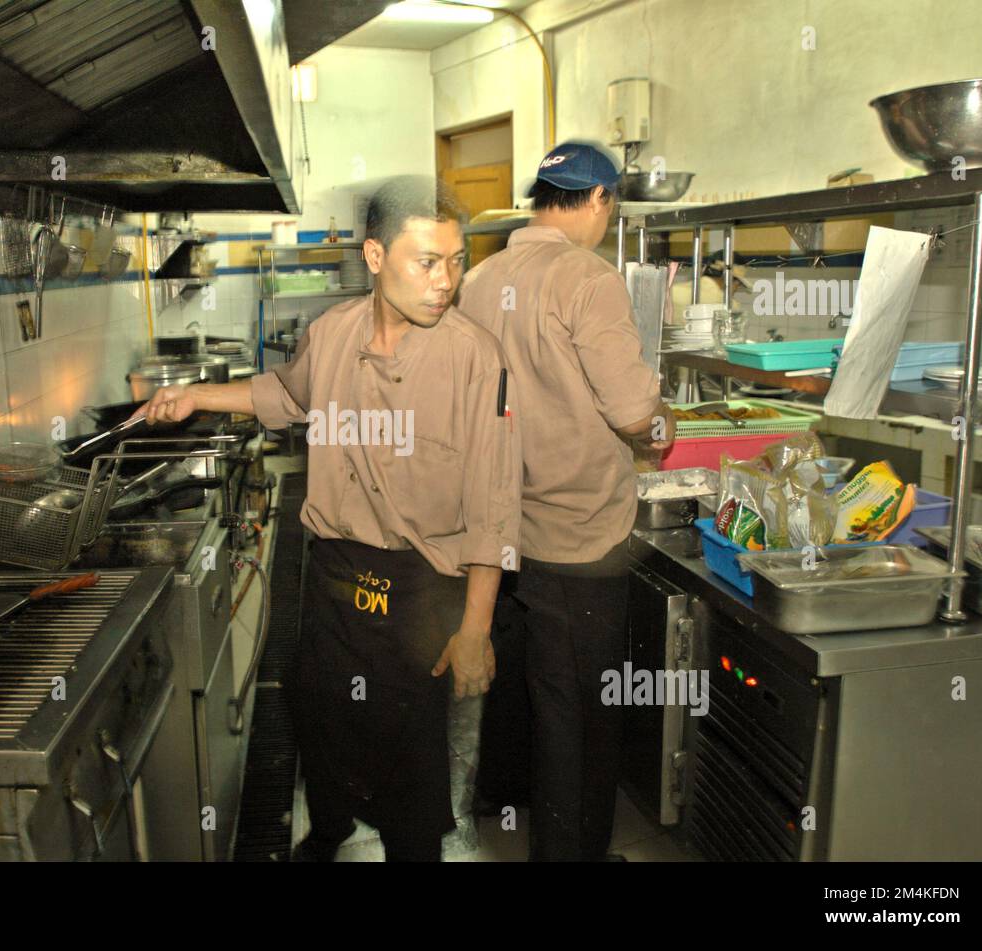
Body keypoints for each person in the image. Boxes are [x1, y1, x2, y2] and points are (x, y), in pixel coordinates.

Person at [133, 177, 521, 862]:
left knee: (410, 774)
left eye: (456, 261)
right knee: (322, 718)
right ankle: (333, 830)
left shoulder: (474, 358)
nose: (447, 282)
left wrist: (475, 628)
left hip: (417, 592)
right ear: (374, 256)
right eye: (427, 261)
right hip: (334, 578)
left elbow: (494, 507)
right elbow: (282, 393)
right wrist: (194, 395)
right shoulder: (332, 334)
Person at [457, 141, 675, 861]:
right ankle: (571, 850)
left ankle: (497, 794)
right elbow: (632, 404)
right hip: (578, 534)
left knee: (523, 679)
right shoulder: (588, 278)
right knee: (582, 707)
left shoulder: (482, 278)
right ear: (599, 201)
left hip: (504, 525)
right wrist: (659, 427)